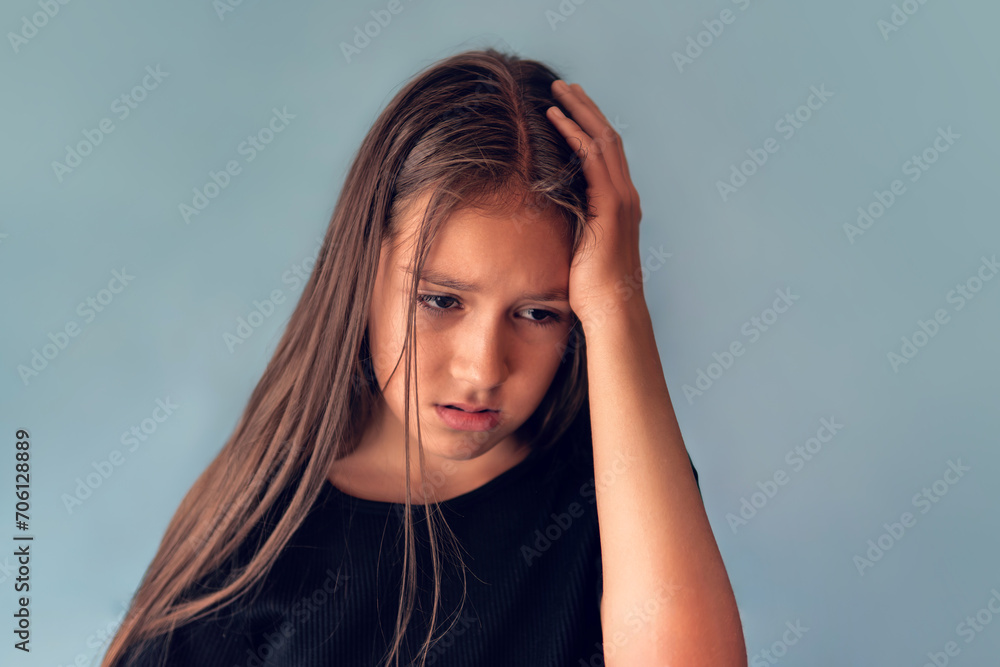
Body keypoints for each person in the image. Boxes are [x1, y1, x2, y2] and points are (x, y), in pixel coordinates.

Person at [102, 47, 746, 667]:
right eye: (441, 300)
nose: (482, 370)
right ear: (364, 267)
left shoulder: (614, 492)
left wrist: (617, 303)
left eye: (538, 313)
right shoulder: (258, 522)